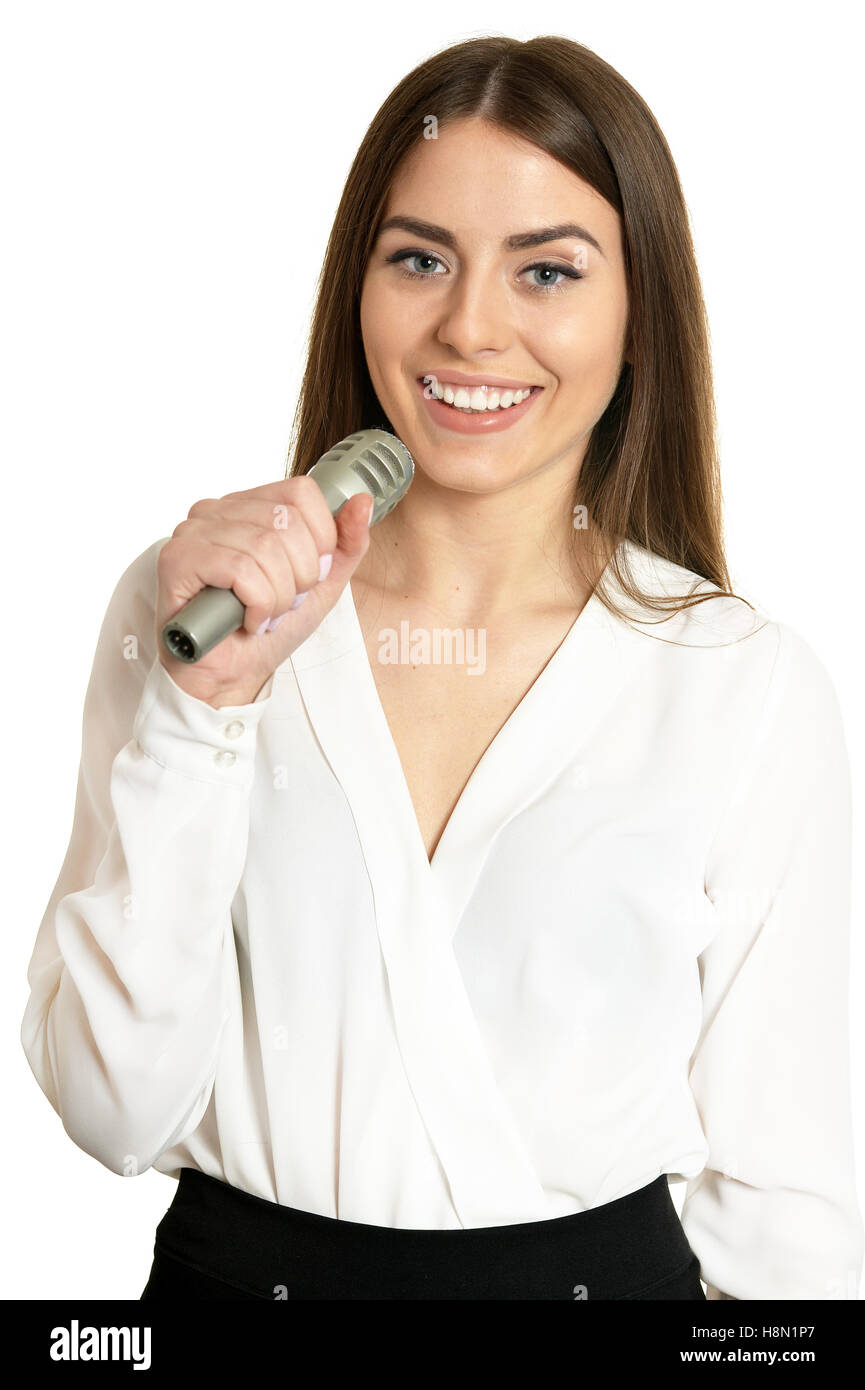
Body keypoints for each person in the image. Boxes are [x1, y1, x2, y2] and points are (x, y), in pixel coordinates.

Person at [20, 34, 863, 1301]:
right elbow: (112, 1114)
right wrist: (203, 714)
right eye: (420, 259)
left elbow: (791, 1213)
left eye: (547, 270)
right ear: (355, 288)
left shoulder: (740, 684)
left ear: (640, 317)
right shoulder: (192, 613)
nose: (470, 327)